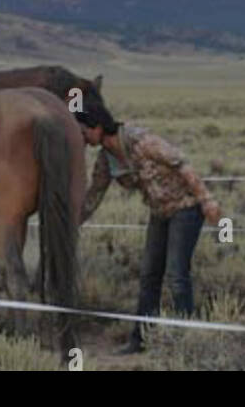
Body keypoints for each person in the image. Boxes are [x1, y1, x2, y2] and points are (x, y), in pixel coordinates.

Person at [79, 117, 223, 354]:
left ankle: (188, 341)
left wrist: (207, 200)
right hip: (159, 212)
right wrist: (72, 223)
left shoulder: (143, 142)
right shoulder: (106, 160)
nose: (82, 136)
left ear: (97, 127)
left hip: (185, 208)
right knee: (148, 276)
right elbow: (94, 195)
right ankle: (141, 339)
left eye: (84, 130)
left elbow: (182, 165)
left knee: (177, 276)